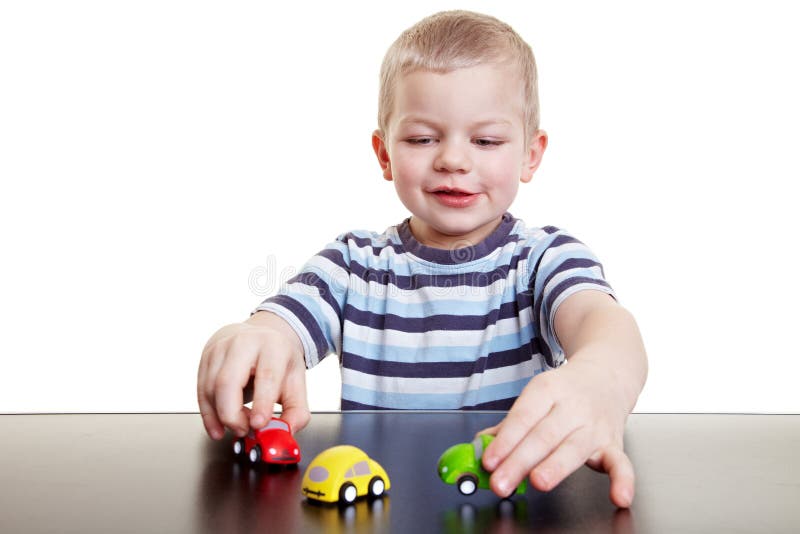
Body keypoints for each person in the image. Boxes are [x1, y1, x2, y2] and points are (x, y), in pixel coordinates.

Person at [197, 10, 647, 508]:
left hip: (509, 511)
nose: (453, 159)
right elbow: (277, 327)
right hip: (379, 509)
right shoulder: (352, 266)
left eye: (486, 140)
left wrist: (603, 378)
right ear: (384, 154)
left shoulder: (545, 261)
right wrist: (250, 338)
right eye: (421, 139)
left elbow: (605, 325)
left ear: (530, 155)